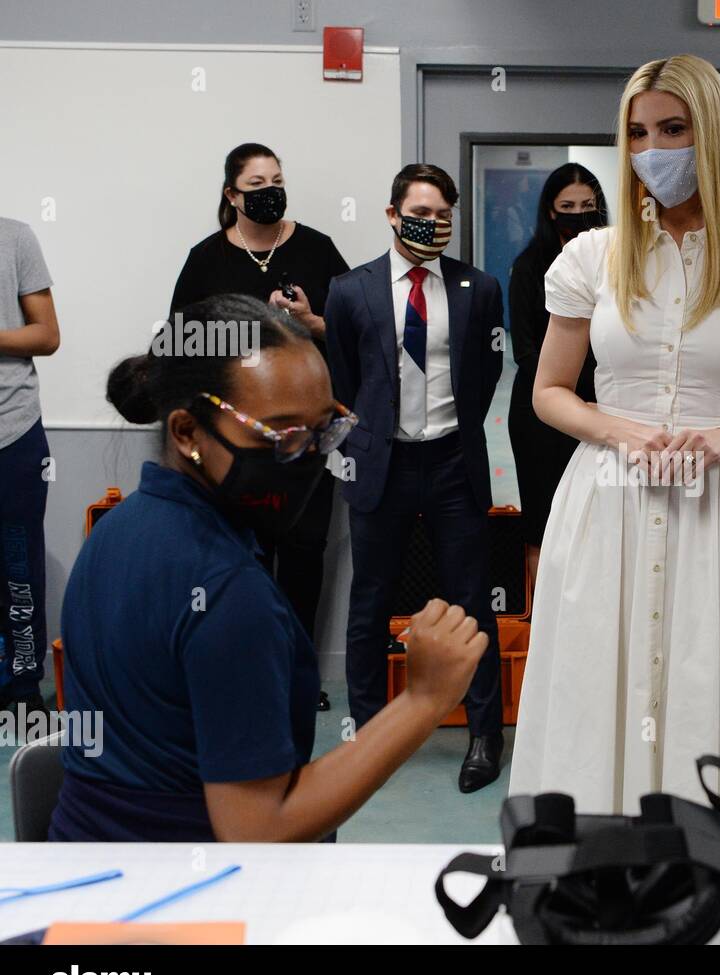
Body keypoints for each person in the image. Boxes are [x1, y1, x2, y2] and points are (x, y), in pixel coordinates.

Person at [507, 54, 720, 817]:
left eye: (674, 128)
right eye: (639, 131)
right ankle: (591, 868)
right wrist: (616, 430)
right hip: (606, 504)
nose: (654, 148)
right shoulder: (592, 258)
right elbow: (548, 392)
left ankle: (714, 876)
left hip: (719, 510)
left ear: (710, 134)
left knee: (715, 680)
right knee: (597, 682)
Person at [50, 294, 486, 841]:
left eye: (323, 432)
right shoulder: (225, 593)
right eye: (282, 437)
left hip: (88, 876)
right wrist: (424, 700)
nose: (307, 460)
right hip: (185, 907)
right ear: (187, 433)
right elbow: (259, 827)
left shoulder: (114, 530)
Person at [325, 163, 506, 793]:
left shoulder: (478, 289)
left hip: (454, 461)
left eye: (443, 215)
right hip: (383, 463)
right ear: (393, 213)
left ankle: (485, 734)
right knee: (370, 601)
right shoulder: (350, 290)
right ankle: (372, 734)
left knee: (472, 601)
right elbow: (344, 381)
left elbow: (483, 376)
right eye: (420, 212)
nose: (432, 223)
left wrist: (452, 429)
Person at [170, 142, 350, 712]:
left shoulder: (318, 249)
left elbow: (355, 335)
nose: (270, 190)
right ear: (232, 195)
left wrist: (309, 322)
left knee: (302, 556)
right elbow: (179, 343)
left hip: (304, 439)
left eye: (277, 178)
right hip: (233, 442)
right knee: (237, 560)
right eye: (256, 183)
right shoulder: (205, 260)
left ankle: (297, 677)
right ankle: (242, 674)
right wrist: (256, 327)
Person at [506, 163, 606, 585]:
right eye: (568, 205)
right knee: (543, 521)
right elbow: (525, 350)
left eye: (588, 205)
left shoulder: (615, 262)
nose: (578, 213)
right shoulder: (530, 266)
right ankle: (540, 629)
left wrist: (602, 397)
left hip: (604, 409)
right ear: (550, 211)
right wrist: (574, 393)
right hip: (541, 414)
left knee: (597, 521)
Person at [0, 218, 59, 716]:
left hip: (12, 431)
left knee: (18, 569)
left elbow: (47, 335)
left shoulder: (14, 237)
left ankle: (22, 689)